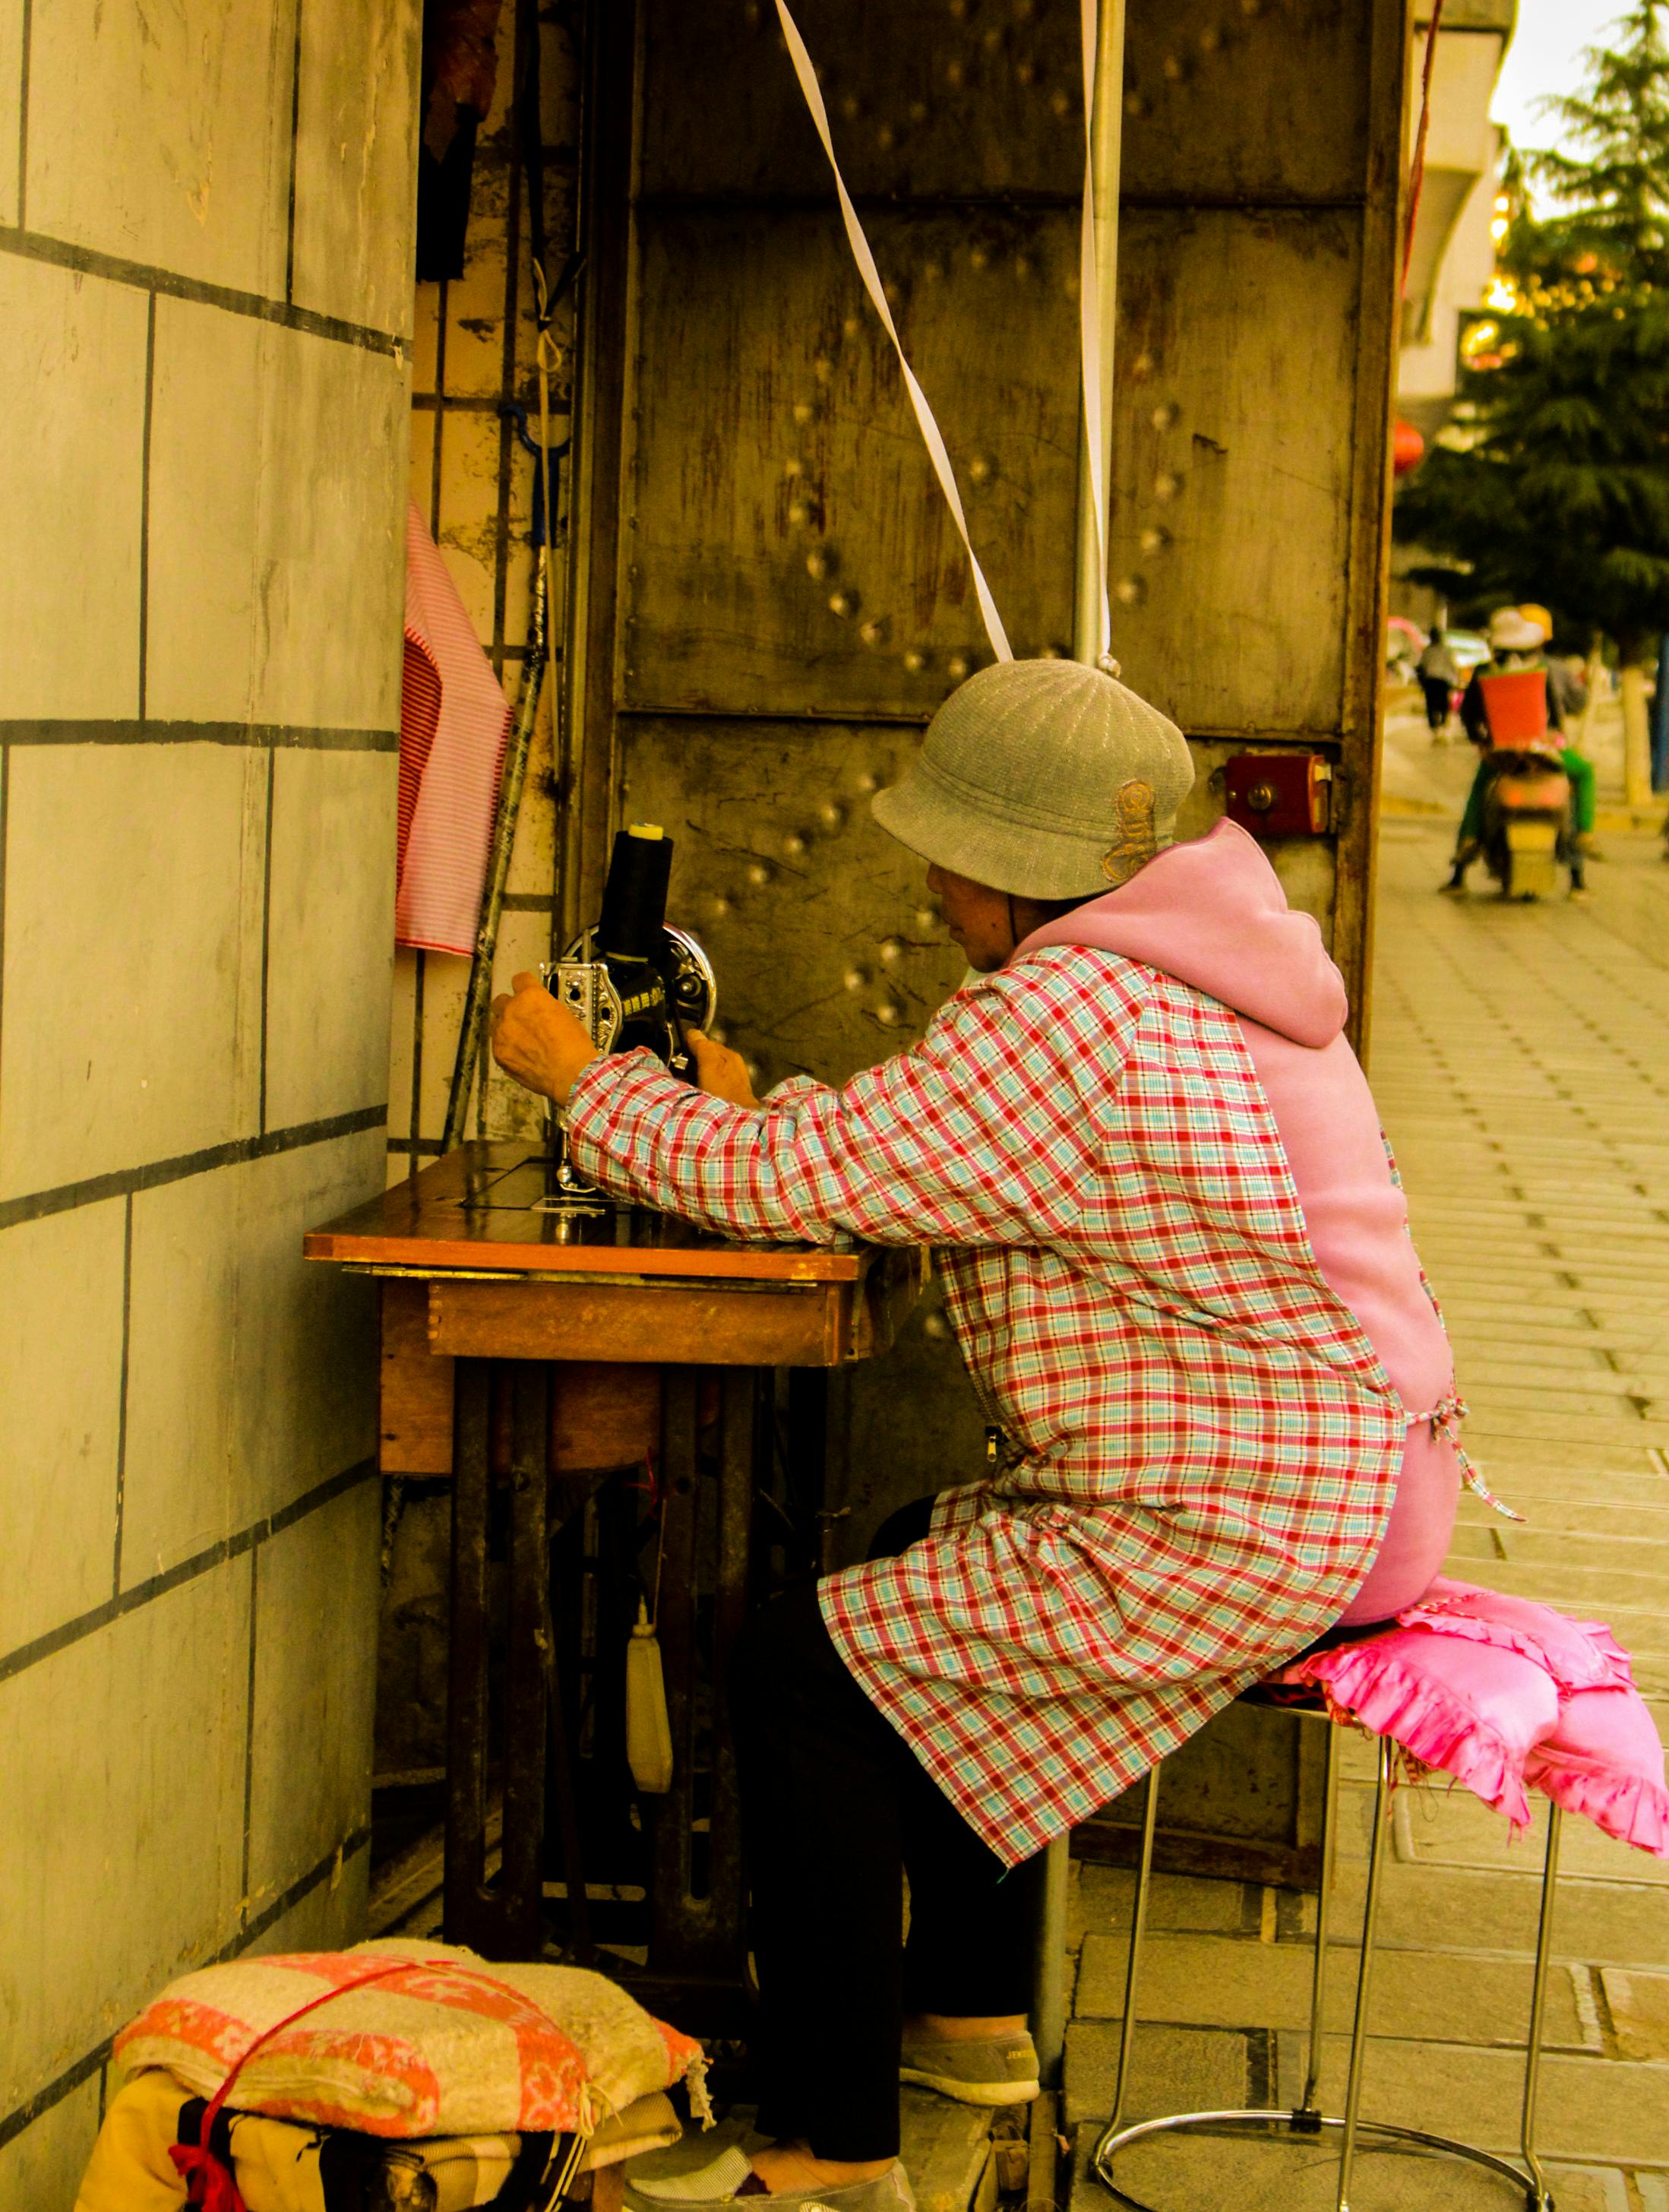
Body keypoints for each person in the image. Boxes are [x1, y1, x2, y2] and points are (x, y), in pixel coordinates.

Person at [492, 660, 1473, 2212]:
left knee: (802, 1668)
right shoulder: (1204, 978)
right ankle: (967, 2017)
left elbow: (799, 1182)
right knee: (918, 1571)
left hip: (1253, 1513)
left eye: (950, 852)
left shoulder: (1071, 1007)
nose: (935, 881)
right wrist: (768, 1111)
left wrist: (585, 1084)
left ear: (1016, 866)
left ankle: (829, 2145)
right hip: (1347, 1482)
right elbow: (919, 1150)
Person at [1445, 606, 1596, 892]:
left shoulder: (1484, 672)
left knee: (1479, 790)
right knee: (1583, 775)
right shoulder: (1547, 668)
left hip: (1501, 754)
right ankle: (1580, 860)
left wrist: (1483, 742)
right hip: (1544, 751)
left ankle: (1463, 860)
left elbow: (1469, 715)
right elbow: (1558, 712)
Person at [1416, 623, 1459, 735]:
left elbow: (1421, 667)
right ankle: (1442, 725)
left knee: (1431, 704)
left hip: (1432, 681)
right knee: (1443, 704)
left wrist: (1421, 682)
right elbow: (1453, 667)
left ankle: (1435, 727)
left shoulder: (1428, 651)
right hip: (1443, 681)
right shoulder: (1446, 651)